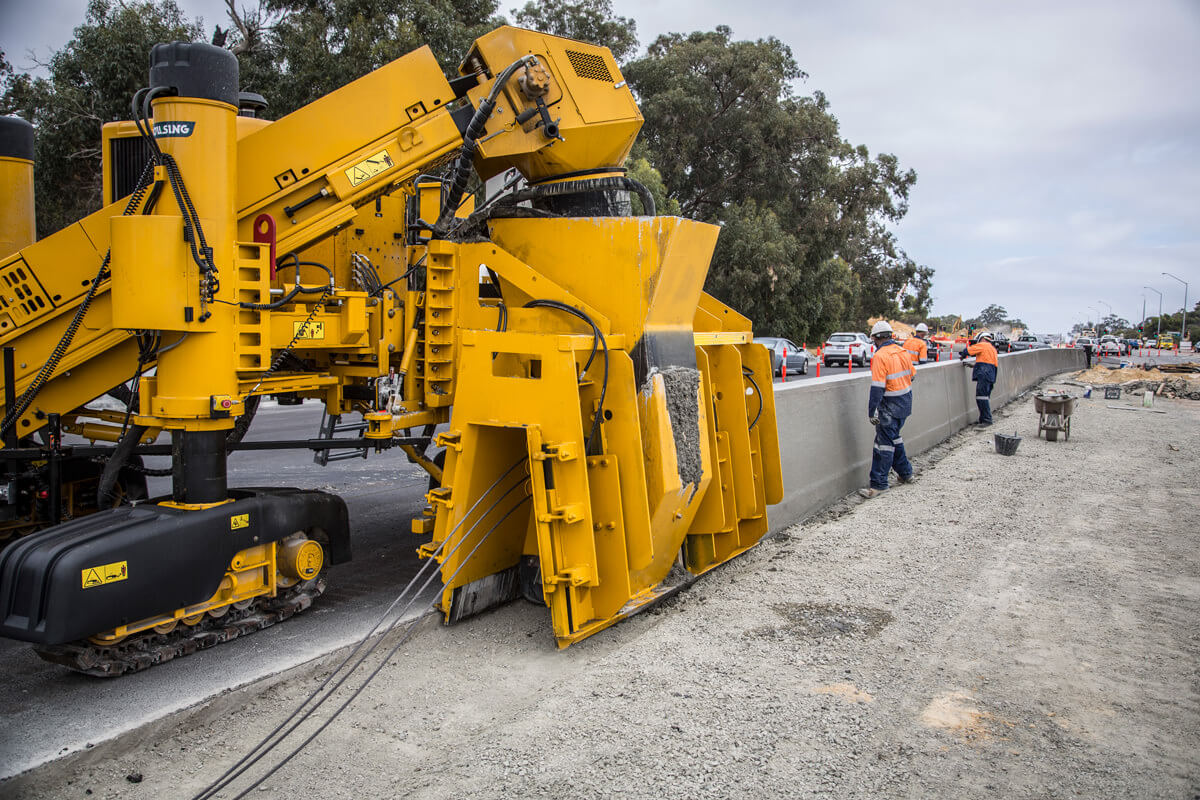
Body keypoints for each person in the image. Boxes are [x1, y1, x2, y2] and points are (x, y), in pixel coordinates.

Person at [860, 320, 916, 499]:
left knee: (883, 445)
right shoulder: (902, 352)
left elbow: (877, 387)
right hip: (905, 403)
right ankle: (906, 473)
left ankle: (879, 484)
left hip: (889, 407)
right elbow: (912, 375)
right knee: (894, 438)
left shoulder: (880, 356)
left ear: (875, 338)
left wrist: (872, 411)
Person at [960, 329, 998, 426]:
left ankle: (987, 420)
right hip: (991, 375)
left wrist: (962, 356)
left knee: (981, 397)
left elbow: (968, 351)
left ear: (981, 339)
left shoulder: (983, 345)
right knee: (985, 397)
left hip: (984, 375)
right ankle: (983, 418)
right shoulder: (992, 349)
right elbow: (986, 362)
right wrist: (974, 365)